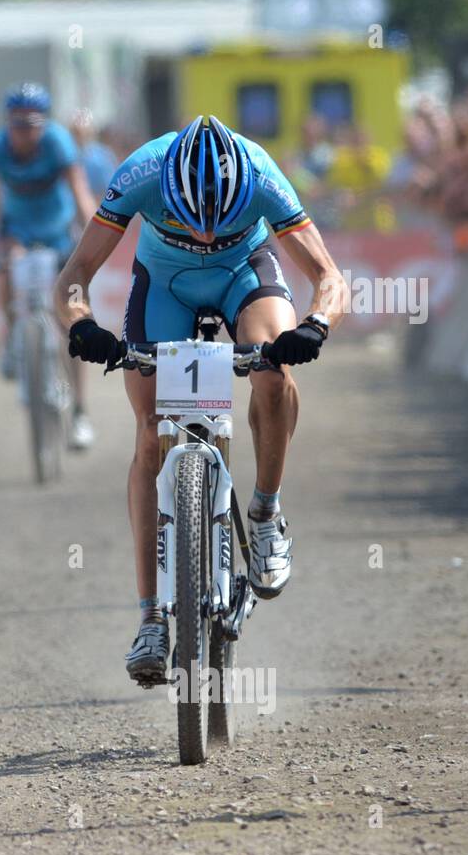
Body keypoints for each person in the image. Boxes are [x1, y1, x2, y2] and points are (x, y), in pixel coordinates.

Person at [55, 115, 348, 685]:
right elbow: (75, 273)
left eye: (221, 224)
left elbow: (329, 276)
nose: (208, 237)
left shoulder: (262, 176)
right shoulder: (140, 172)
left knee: (270, 365)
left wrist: (316, 325)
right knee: (148, 432)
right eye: (194, 224)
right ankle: (150, 618)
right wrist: (81, 325)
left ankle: (264, 512)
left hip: (245, 276)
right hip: (165, 282)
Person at [0, 83, 100, 450]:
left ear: (45, 123)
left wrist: (92, 242)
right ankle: (12, 339)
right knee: (9, 266)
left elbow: (81, 195)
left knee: (71, 322)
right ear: (7, 124)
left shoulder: (58, 143)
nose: (25, 132)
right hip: (17, 230)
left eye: (33, 124)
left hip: (58, 232)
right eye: (17, 124)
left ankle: (80, 413)